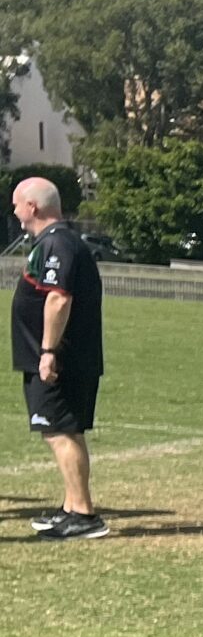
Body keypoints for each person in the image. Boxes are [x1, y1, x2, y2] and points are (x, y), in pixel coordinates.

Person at [14, 177, 106, 539]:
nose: (14, 211)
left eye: (17, 204)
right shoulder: (51, 243)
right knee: (62, 430)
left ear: (33, 206)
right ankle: (71, 507)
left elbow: (59, 298)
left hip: (60, 359)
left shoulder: (58, 243)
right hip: (52, 357)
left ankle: (84, 515)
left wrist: (48, 351)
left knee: (60, 432)